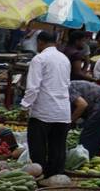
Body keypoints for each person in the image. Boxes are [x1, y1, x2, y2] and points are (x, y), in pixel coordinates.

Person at [22, 31, 73, 177]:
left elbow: (33, 87)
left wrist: (25, 106)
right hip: (62, 111)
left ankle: (39, 178)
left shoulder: (39, 59)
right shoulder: (64, 59)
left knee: (38, 149)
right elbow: (67, 84)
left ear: (40, 42)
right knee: (58, 149)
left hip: (43, 112)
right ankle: (55, 179)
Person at [69, 78, 100, 159]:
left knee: (88, 135)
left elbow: (82, 105)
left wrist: (70, 122)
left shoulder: (68, 88)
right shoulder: (71, 85)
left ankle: (82, 159)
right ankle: (90, 157)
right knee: (97, 136)